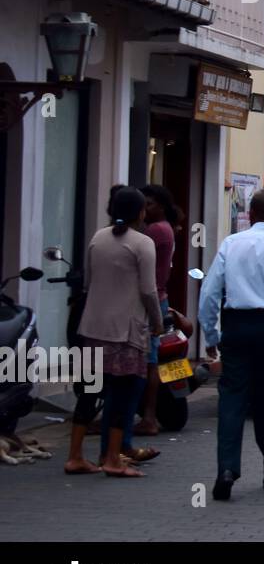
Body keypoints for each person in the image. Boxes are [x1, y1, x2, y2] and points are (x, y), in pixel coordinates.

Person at [198, 189, 264, 501]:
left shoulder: (231, 243)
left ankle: (226, 470)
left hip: (235, 327)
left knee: (231, 400)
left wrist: (211, 337)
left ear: (251, 214)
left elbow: (209, 293)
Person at [65, 187, 163, 478]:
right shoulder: (143, 243)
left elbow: (90, 282)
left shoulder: (98, 237)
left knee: (90, 392)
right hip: (125, 330)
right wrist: (157, 322)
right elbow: (148, 290)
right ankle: (112, 459)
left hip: (93, 327)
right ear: (140, 212)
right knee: (123, 393)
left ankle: (74, 456)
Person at [132, 184, 191, 443]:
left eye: (151, 204)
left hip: (151, 300)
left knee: (150, 361)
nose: (146, 208)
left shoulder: (155, 230)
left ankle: (148, 416)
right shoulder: (165, 228)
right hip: (159, 297)